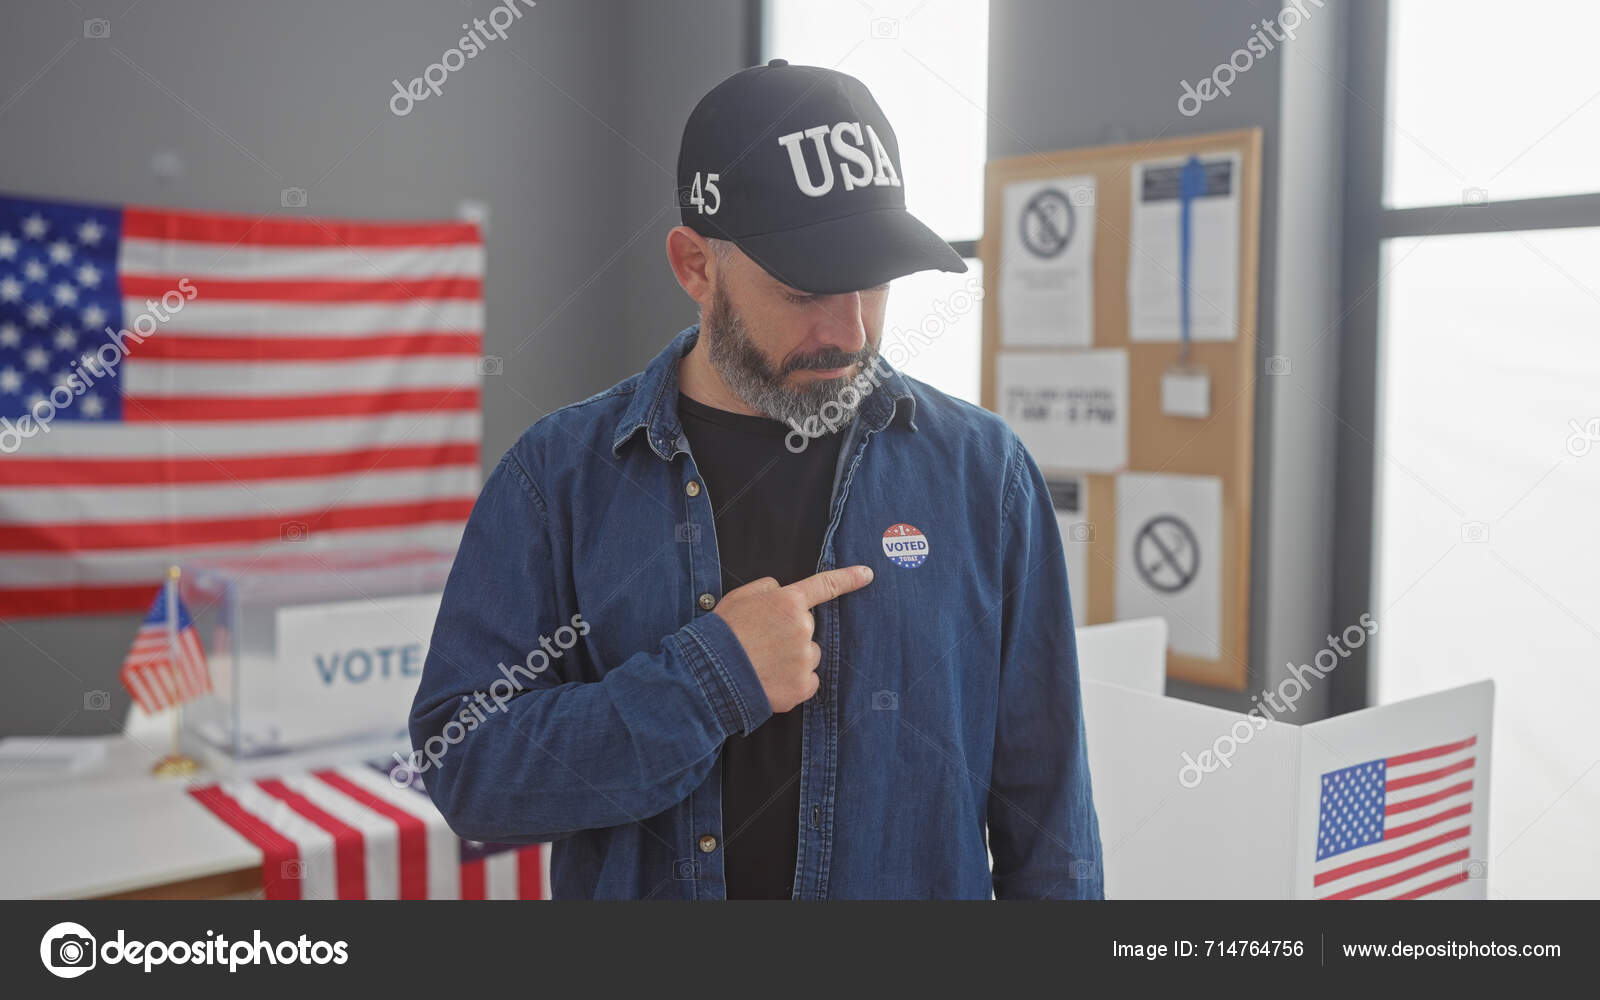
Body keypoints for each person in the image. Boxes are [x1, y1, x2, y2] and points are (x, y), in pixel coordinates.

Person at [409, 59, 1103, 900]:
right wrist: (708, 682)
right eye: (805, 289)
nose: (849, 330)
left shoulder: (985, 476)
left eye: (873, 281)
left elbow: (1049, 822)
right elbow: (468, 771)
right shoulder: (559, 477)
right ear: (696, 266)